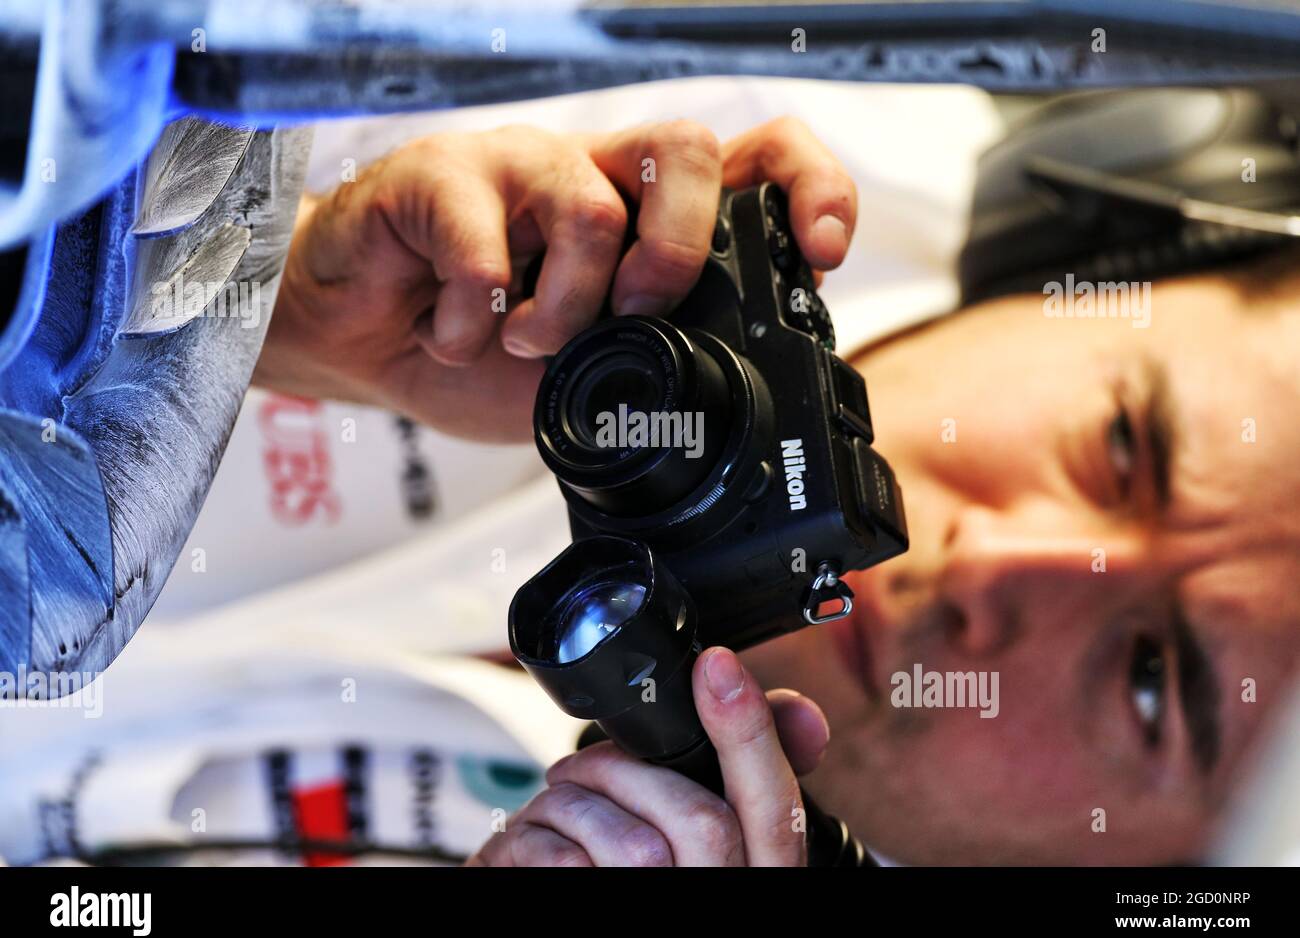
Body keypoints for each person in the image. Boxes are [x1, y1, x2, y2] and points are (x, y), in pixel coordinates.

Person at [251, 115, 1300, 866]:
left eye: (1152, 680)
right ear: (1079, 259)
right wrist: (273, 302)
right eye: (1121, 442)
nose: (990, 558)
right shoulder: (678, 108)